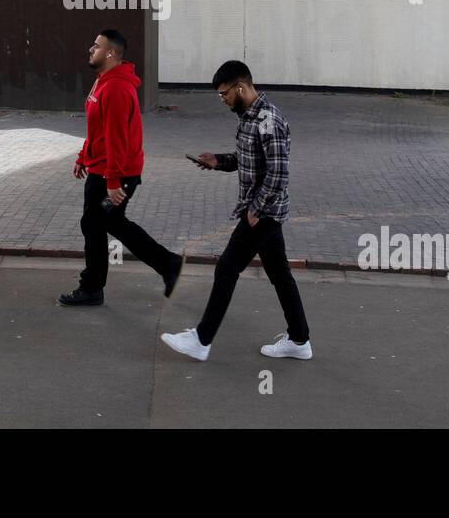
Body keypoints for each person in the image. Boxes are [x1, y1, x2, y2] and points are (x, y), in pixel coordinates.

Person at [161, 60, 311, 361]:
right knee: (280, 274)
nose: (223, 100)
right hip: (262, 211)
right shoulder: (249, 118)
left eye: (224, 93)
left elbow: (278, 175)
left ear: (241, 87)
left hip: (263, 213)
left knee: (227, 267)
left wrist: (256, 210)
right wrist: (217, 160)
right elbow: (248, 160)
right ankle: (299, 339)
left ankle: (202, 340)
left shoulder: (269, 120)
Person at [57, 29, 185, 306]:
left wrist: (112, 181)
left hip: (114, 173)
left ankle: (92, 288)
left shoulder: (116, 88)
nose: (91, 50)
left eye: (97, 46)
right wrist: (83, 156)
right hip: (102, 169)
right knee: (104, 223)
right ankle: (167, 264)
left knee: (95, 223)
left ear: (111, 53)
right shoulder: (102, 81)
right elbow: (98, 129)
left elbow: (117, 139)